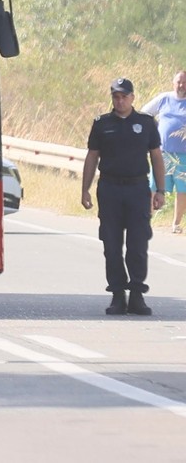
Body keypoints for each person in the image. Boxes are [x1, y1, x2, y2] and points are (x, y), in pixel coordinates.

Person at [81, 77, 166, 316]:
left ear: (132, 98)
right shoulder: (102, 123)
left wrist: (160, 190)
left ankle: (137, 294)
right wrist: (85, 189)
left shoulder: (146, 123)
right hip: (110, 188)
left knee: (138, 244)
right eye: (116, 97)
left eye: (124, 96)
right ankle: (118, 294)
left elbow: (156, 158)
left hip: (138, 189)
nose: (120, 101)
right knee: (111, 244)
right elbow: (92, 157)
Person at [140, 70, 186, 233]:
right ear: (173, 83)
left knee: (182, 189)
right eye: (179, 82)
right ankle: (147, 219)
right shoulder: (164, 98)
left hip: (183, 155)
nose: (181, 85)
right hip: (162, 153)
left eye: (184, 82)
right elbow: (145, 112)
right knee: (155, 186)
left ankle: (176, 224)